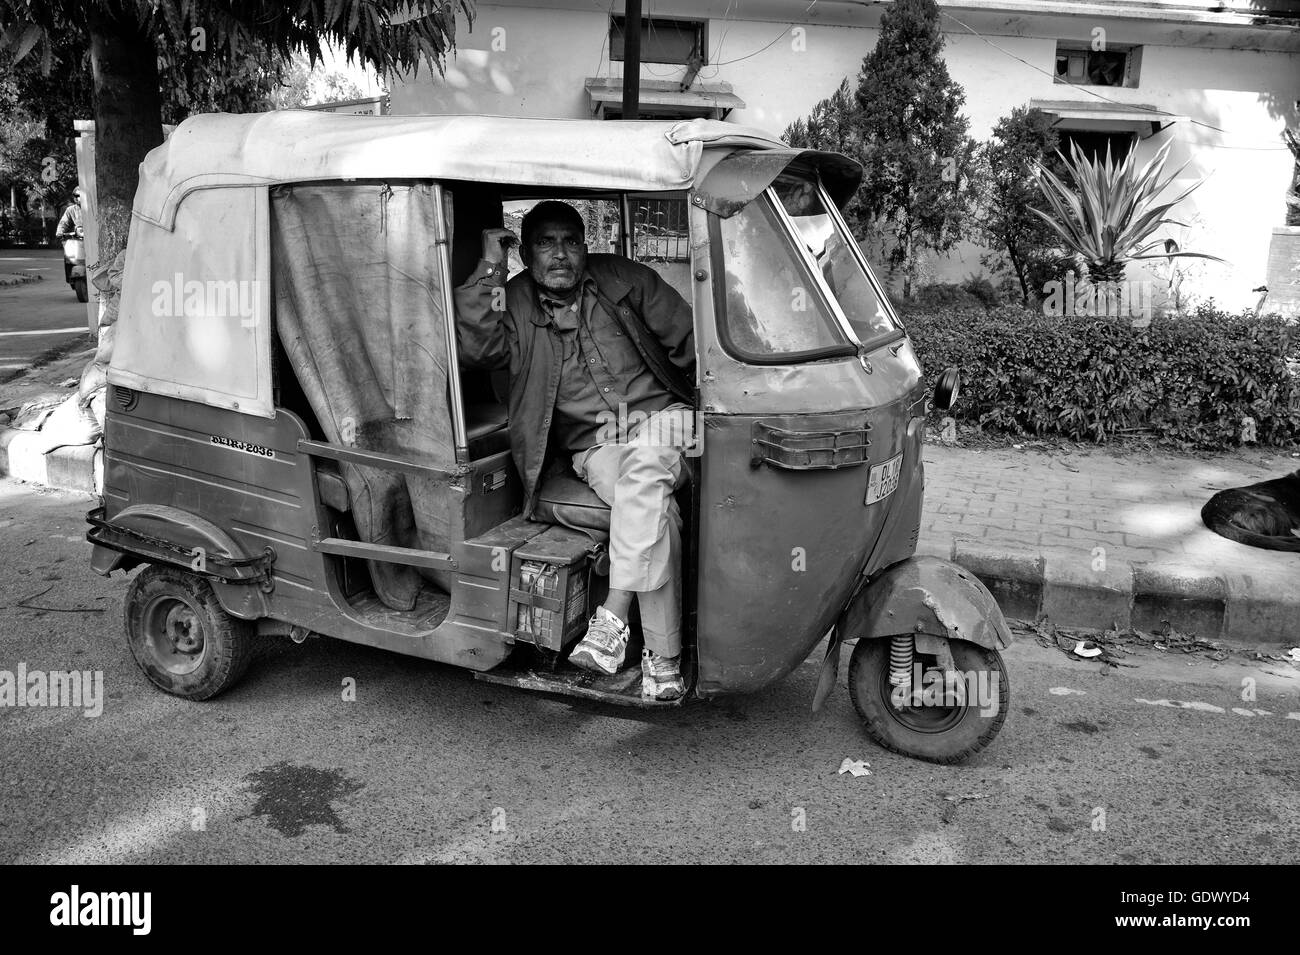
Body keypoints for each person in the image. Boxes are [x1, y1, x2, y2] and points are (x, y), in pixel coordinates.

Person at [454, 200, 696, 700]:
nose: (560, 254)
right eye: (545, 243)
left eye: (571, 241)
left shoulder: (623, 278)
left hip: (666, 421)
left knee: (648, 463)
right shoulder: (514, 300)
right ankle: (662, 658)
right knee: (655, 509)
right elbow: (476, 348)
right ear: (526, 251)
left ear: (586, 246)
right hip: (596, 447)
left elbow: (691, 340)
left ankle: (616, 615)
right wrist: (491, 267)